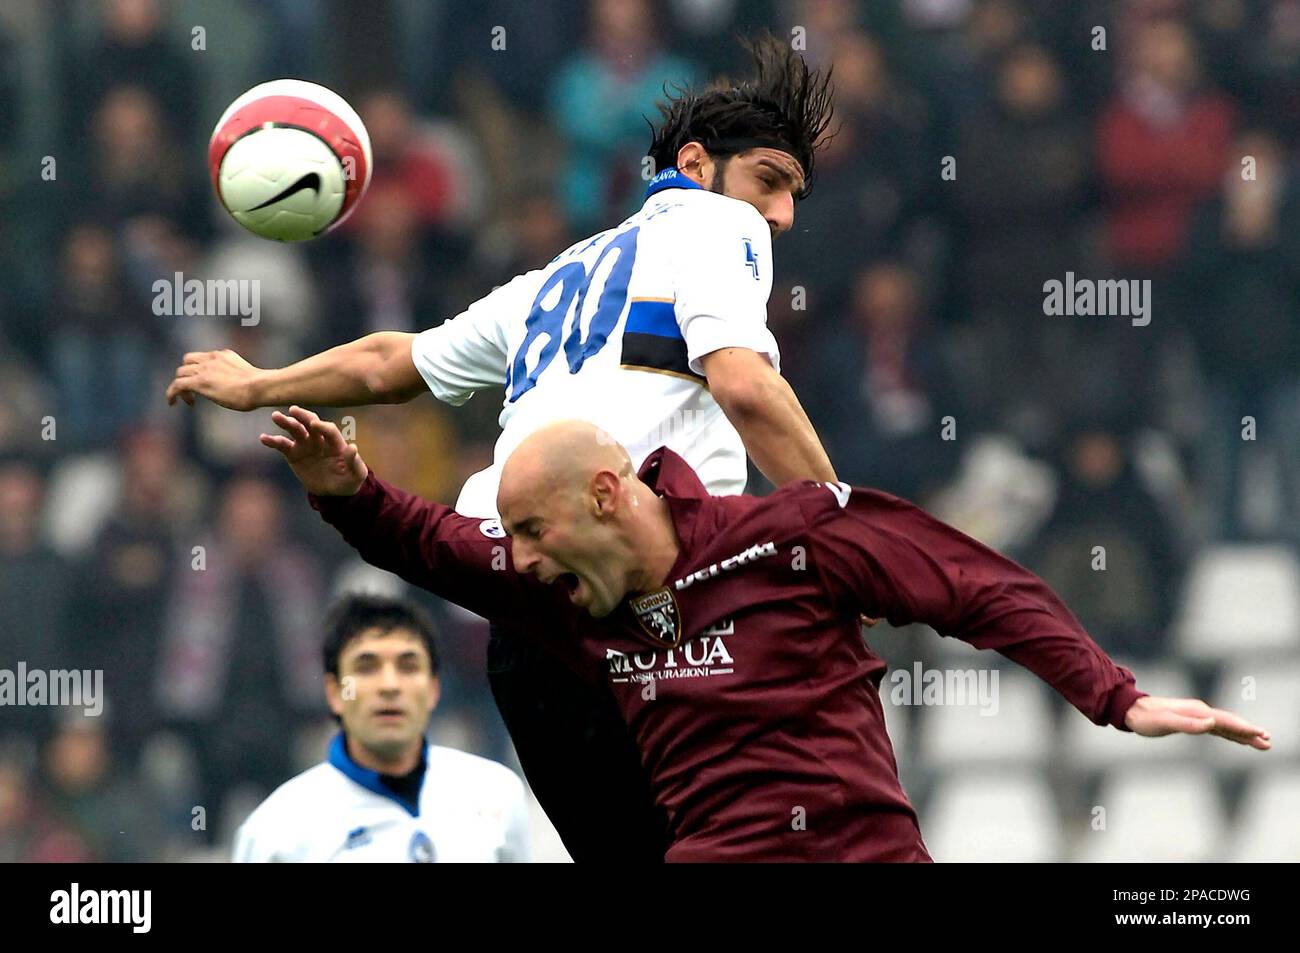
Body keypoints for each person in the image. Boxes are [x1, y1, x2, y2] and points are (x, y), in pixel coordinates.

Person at [167, 34, 837, 861]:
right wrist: (843, 532)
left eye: (795, 194)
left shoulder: (555, 275)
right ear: (696, 165)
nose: (782, 214)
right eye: (771, 181)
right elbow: (744, 385)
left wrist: (260, 382)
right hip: (637, 605)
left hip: (523, 627)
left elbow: (393, 361)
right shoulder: (719, 229)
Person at [261, 408, 1271, 862]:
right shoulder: (569, 593)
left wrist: (1112, 693)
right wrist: (347, 491)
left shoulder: (790, 537)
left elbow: (974, 584)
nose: (515, 558)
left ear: (607, 494)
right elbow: (435, 542)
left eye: (530, 530)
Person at [233, 594, 529, 863]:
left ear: (434, 689)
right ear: (336, 692)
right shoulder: (275, 832)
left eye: (408, 666)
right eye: (366, 667)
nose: (389, 686)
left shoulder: (497, 794)